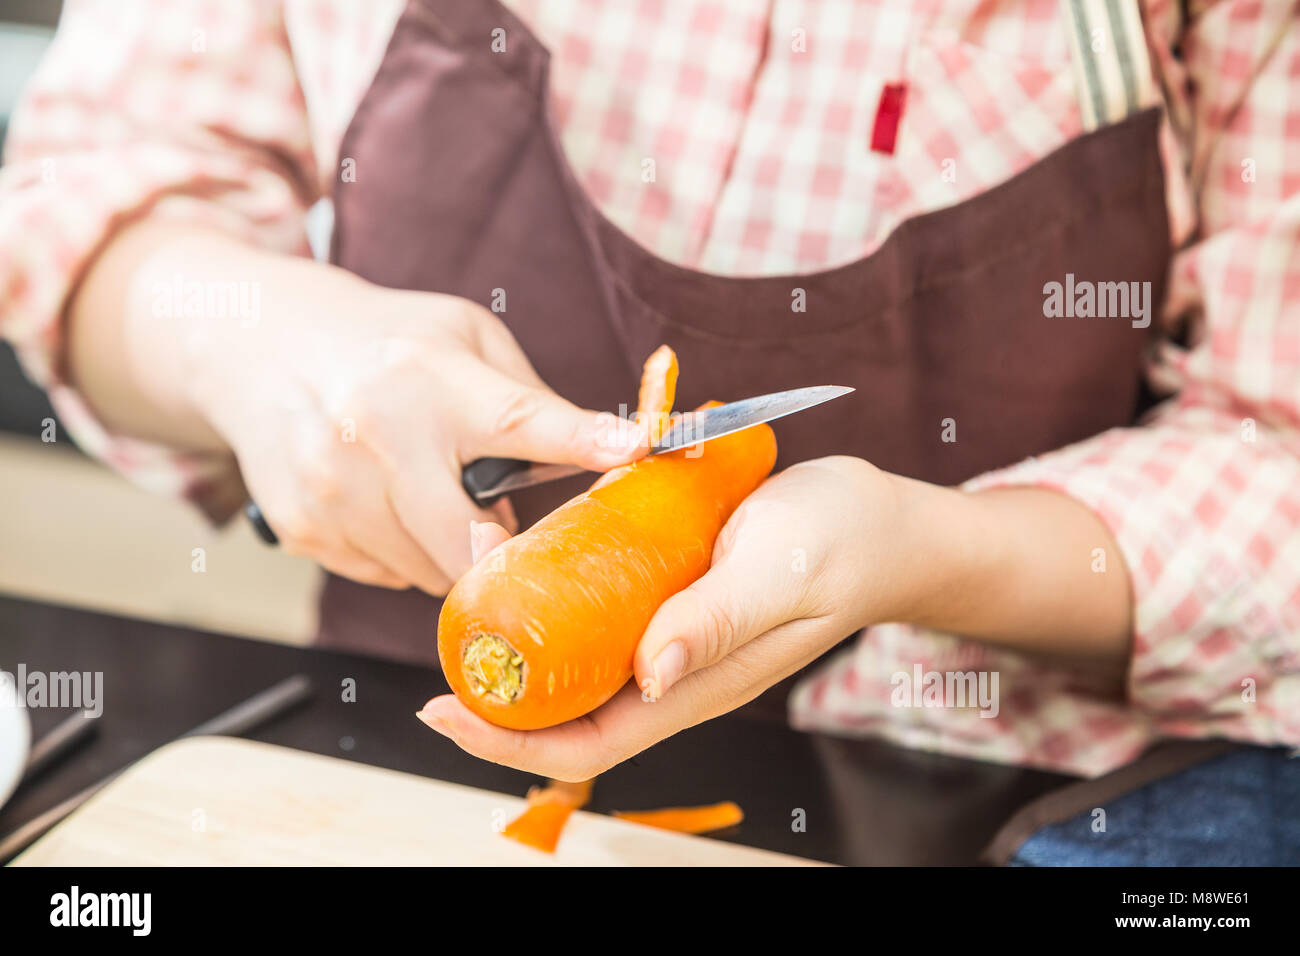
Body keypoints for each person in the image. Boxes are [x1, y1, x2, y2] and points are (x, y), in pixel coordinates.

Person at [1, 0, 1296, 821]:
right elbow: (83, 195)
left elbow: (1275, 456)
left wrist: (926, 553)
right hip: (405, 767)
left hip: (983, 791)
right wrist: (253, 340)